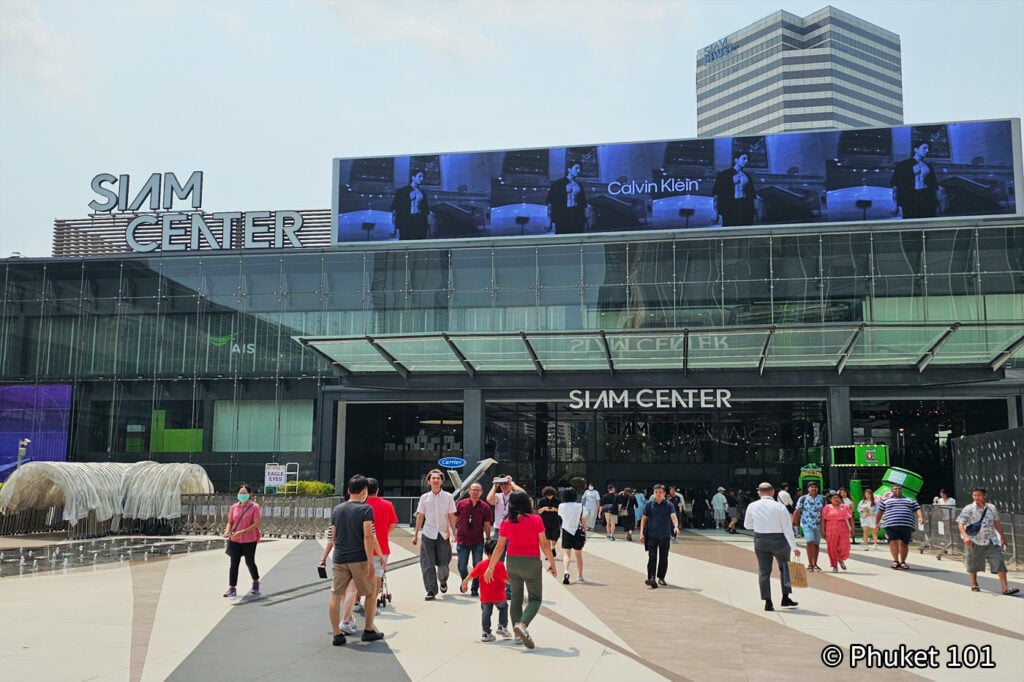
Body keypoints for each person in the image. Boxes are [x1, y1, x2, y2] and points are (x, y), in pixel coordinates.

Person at [484, 491, 557, 650]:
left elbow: (499, 547)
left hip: (512, 561)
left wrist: (490, 568)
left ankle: (517, 636)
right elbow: (544, 544)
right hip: (531, 562)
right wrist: (552, 562)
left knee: (516, 598)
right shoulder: (536, 519)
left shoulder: (506, 521)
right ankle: (523, 625)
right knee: (535, 599)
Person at [328, 474, 384, 645]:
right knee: (371, 593)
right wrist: (370, 561)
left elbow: (333, 536)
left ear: (348, 490)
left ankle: (337, 634)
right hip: (359, 558)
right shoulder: (365, 509)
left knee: (336, 595)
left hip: (339, 558)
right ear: (365, 491)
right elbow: (368, 536)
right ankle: (367, 630)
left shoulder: (337, 509)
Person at [744, 482, 800, 612]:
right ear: (773, 492)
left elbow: (747, 525)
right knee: (785, 568)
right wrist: (794, 547)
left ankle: (767, 601)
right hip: (779, 540)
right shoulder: (779, 507)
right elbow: (787, 528)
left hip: (761, 540)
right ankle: (785, 597)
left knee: (764, 571)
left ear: (759, 492)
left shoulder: (752, 506)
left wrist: (759, 526)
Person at [956, 488, 1019, 595]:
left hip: (991, 540)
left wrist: (1002, 537)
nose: (976, 498)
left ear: (985, 496)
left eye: (979, 495)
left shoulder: (991, 508)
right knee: (973, 563)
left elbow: (996, 523)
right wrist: (965, 537)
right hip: (974, 540)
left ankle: (1005, 588)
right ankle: (974, 583)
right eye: (974, 495)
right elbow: (961, 523)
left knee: (999, 562)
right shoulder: (969, 508)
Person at [412, 469, 457, 600]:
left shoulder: (448, 497)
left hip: (443, 533)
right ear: (429, 481)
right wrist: (415, 534)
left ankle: (443, 581)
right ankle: (431, 590)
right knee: (428, 563)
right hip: (428, 533)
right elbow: (421, 516)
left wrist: (455, 532)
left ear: (442, 481)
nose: (436, 480)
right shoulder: (424, 498)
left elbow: (451, 516)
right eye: (433, 478)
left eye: (438, 478)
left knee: (444, 563)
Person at [462, 538, 511, 641]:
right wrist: (515, 584)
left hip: (485, 596)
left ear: (485, 552)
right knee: (503, 608)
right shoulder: (499, 565)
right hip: (499, 595)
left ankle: (486, 633)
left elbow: (472, 575)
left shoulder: (481, 565)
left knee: (486, 613)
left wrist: (464, 583)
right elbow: (506, 579)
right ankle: (502, 626)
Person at [223, 484, 262, 597]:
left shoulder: (254, 507)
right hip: (235, 539)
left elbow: (257, 523)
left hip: (250, 539)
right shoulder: (234, 507)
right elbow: (230, 521)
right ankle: (232, 587)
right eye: (240, 493)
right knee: (234, 563)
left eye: (244, 493)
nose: (242, 495)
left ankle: (255, 581)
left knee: (249, 562)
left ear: (250, 494)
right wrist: (227, 531)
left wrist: (244, 531)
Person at [455, 481, 492, 597]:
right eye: (473, 490)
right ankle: (464, 582)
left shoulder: (485, 506)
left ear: (481, 492)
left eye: (478, 490)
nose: (475, 492)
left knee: (478, 566)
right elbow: (454, 518)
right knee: (461, 565)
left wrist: (488, 538)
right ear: (469, 491)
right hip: (462, 540)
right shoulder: (461, 504)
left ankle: (475, 588)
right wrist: (452, 532)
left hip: (477, 541)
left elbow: (487, 523)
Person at [875, 483, 924, 570]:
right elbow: (880, 512)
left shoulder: (909, 500)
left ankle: (903, 562)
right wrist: (877, 523)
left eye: (899, 489)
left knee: (904, 543)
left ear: (902, 490)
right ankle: (895, 561)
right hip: (891, 525)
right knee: (892, 542)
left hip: (906, 525)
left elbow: (917, 508)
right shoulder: (886, 501)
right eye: (895, 489)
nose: (897, 490)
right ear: (892, 490)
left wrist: (920, 517)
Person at [639, 484, 680, 588]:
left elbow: (673, 516)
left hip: (664, 535)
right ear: (653, 493)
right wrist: (641, 533)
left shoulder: (669, 505)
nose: (658, 494)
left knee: (663, 557)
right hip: (651, 535)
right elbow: (644, 519)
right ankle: (651, 578)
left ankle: (661, 577)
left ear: (664, 493)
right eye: (656, 492)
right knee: (652, 557)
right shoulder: (649, 505)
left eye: (660, 492)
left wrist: (676, 526)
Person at [890, 142, 939, 220]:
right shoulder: (903, 165)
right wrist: (895, 203)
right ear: (916, 149)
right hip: (911, 199)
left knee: (927, 223)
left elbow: (934, 185)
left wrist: (937, 203)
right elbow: (896, 185)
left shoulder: (929, 166)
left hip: (927, 197)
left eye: (928, 149)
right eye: (924, 148)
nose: (927, 151)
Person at [712, 153, 757, 227]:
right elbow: (717, 194)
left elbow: (752, 195)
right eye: (744, 158)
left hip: (745, 206)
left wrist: (755, 211)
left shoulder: (747, 176)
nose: (746, 161)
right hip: (730, 207)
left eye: (747, 159)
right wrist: (715, 213)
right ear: (736, 160)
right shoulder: (724, 175)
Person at [545, 162, 588, 234]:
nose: (579, 170)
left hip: (577, 215)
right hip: (563, 216)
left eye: (580, 169)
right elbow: (551, 203)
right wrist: (549, 222)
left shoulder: (579, 185)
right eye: (576, 168)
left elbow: (583, 204)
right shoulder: (558, 184)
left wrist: (586, 220)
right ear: (569, 169)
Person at [793, 482, 825, 572]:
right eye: (811, 487)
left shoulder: (822, 499)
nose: (813, 489)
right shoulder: (803, 498)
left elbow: (825, 512)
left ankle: (815, 563)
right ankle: (810, 563)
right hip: (807, 524)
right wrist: (793, 523)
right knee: (810, 542)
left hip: (818, 524)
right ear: (808, 489)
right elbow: (797, 510)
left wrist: (824, 526)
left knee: (816, 545)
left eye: (815, 487)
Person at [557, 487, 586, 583]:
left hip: (566, 530)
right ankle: (580, 575)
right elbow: (584, 521)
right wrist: (585, 534)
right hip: (578, 531)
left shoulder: (561, 506)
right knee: (578, 555)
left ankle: (566, 571)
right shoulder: (580, 506)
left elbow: (561, 516)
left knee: (566, 554)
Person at [391, 170, 430, 240]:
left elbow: (426, 211)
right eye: (420, 176)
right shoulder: (402, 191)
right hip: (406, 222)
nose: (422, 178)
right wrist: (395, 227)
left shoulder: (423, 193)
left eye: (423, 177)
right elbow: (395, 209)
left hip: (419, 222)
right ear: (413, 177)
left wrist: (427, 226)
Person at [822, 492, 853, 572]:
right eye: (834, 498)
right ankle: (834, 565)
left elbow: (850, 518)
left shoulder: (844, 507)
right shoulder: (827, 507)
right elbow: (823, 520)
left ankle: (840, 559)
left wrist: (852, 528)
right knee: (832, 548)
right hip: (830, 528)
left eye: (838, 497)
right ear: (830, 499)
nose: (836, 499)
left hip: (843, 528)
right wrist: (823, 530)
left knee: (844, 547)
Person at [487, 474, 525, 539]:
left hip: (513, 528)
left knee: (512, 549)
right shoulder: (498, 496)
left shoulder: (515, 495)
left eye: (506, 483)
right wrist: (495, 486)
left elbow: (523, 495)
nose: (504, 486)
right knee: (498, 549)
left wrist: (511, 483)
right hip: (499, 529)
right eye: (501, 484)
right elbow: (489, 500)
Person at [537, 486, 562, 557]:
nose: (549, 497)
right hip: (545, 521)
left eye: (551, 495)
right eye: (548, 495)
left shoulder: (557, 500)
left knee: (555, 536)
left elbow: (561, 511)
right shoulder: (542, 501)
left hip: (555, 520)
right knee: (546, 537)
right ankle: (548, 553)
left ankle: (553, 547)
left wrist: (554, 509)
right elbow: (539, 511)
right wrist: (544, 508)